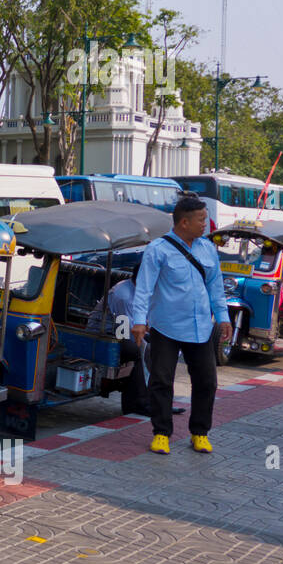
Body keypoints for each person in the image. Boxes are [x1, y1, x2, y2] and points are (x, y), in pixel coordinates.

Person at [131, 194, 232, 455]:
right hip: (167, 327)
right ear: (184, 222)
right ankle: (161, 433)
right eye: (201, 220)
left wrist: (223, 317)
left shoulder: (207, 249)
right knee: (161, 381)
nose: (205, 225)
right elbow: (143, 289)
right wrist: (139, 321)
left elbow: (216, 287)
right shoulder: (158, 249)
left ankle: (199, 433)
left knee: (207, 382)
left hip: (201, 328)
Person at [87, 267, 151, 416]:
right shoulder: (124, 295)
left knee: (162, 346)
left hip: (122, 329)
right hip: (104, 333)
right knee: (136, 351)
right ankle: (138, 402)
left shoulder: (143, 291)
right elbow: (129, 330)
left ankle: (155, 400)